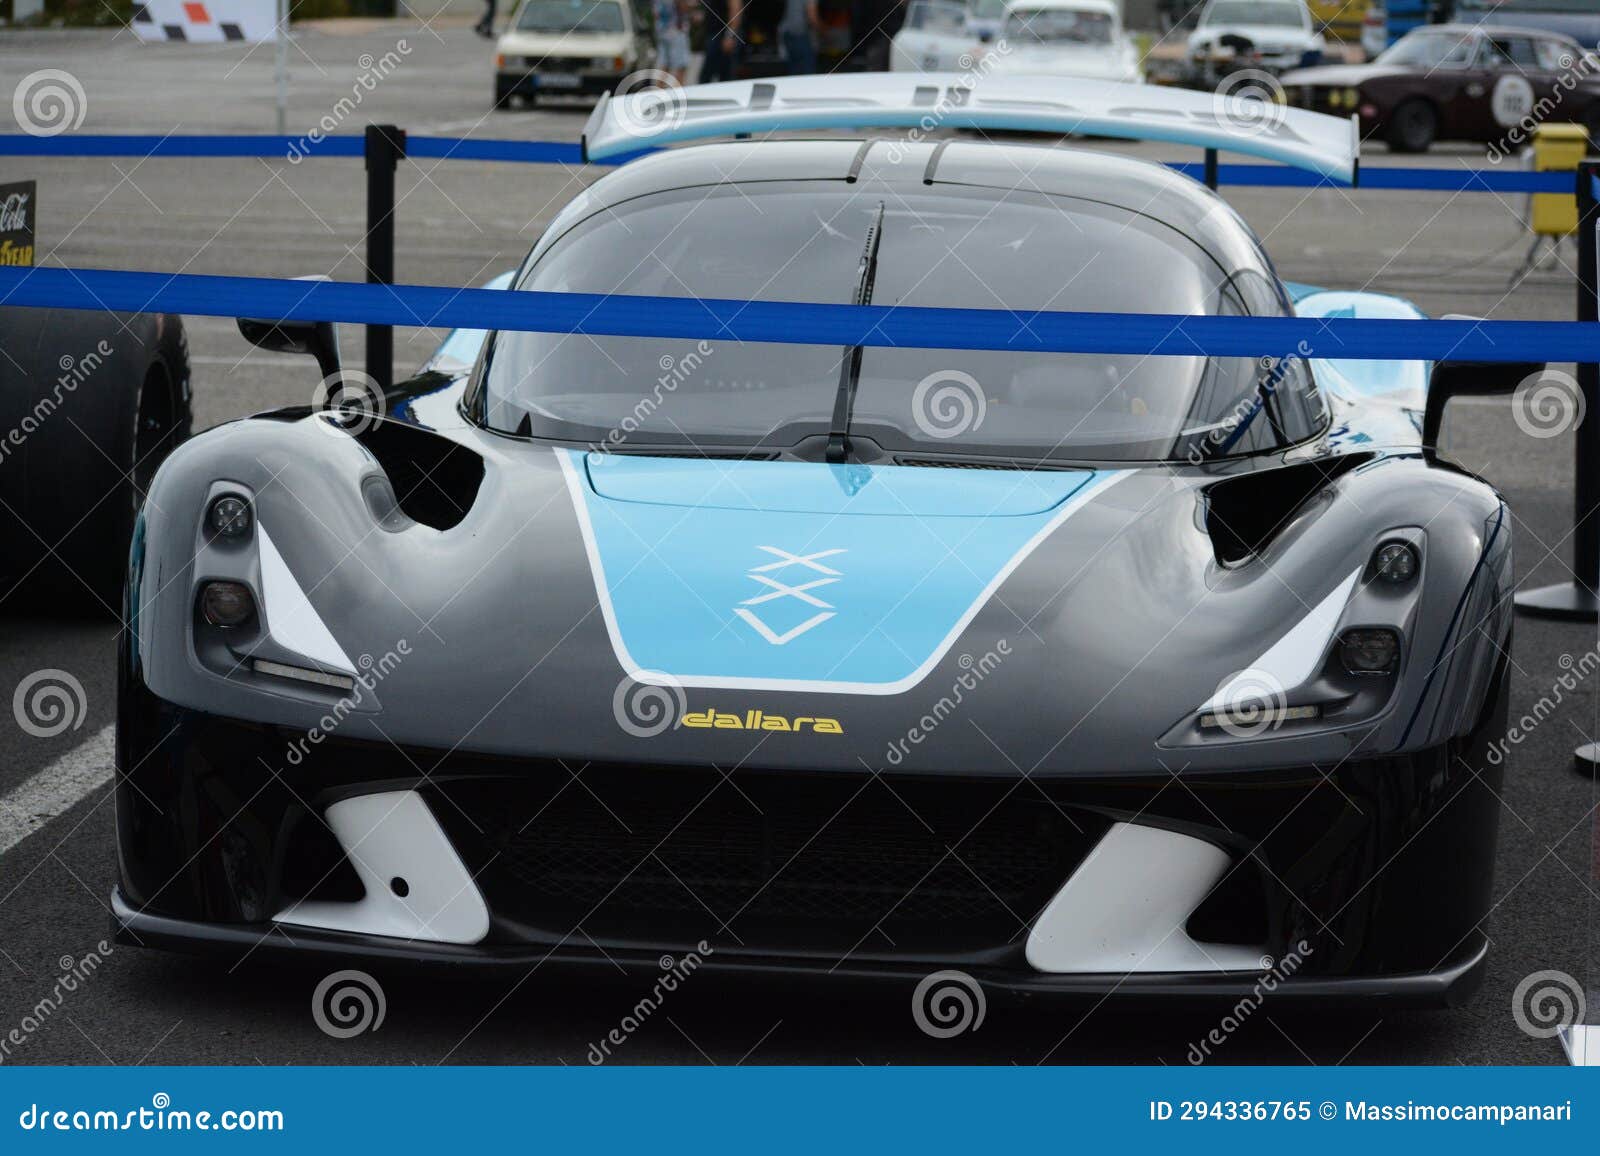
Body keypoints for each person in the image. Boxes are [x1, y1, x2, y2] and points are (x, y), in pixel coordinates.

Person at [697, 0, 743, 84]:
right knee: (708, 76)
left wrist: (729, 36)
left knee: (724, 77)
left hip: (723, 37)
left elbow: (736, 10)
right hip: (714, 35)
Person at [779, 0, 818, 75]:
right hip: (800, 35)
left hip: (787, 33)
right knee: (808, 73)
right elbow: (812, 18)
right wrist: (826, 33)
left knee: (793, 71)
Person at [656, 0, 690, 84]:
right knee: (681, 66)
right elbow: (683, 7)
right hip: (676, 30)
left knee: (664, 65)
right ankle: (678, 94)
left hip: (662, 29)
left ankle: (659, 94)